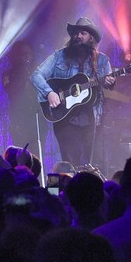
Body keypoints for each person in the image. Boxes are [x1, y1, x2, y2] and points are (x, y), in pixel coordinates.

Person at [31, 17, 116, 168]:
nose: (78, 36)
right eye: (76, 33)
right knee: (70, 163)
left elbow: (108, 81)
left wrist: (111, 82)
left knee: (89, 164)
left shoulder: (102, 60)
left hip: (91, 118)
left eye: (83, 33)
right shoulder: (59, 56)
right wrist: (49, 93)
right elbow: (36, 75)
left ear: (91, 38)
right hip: (64, 118)